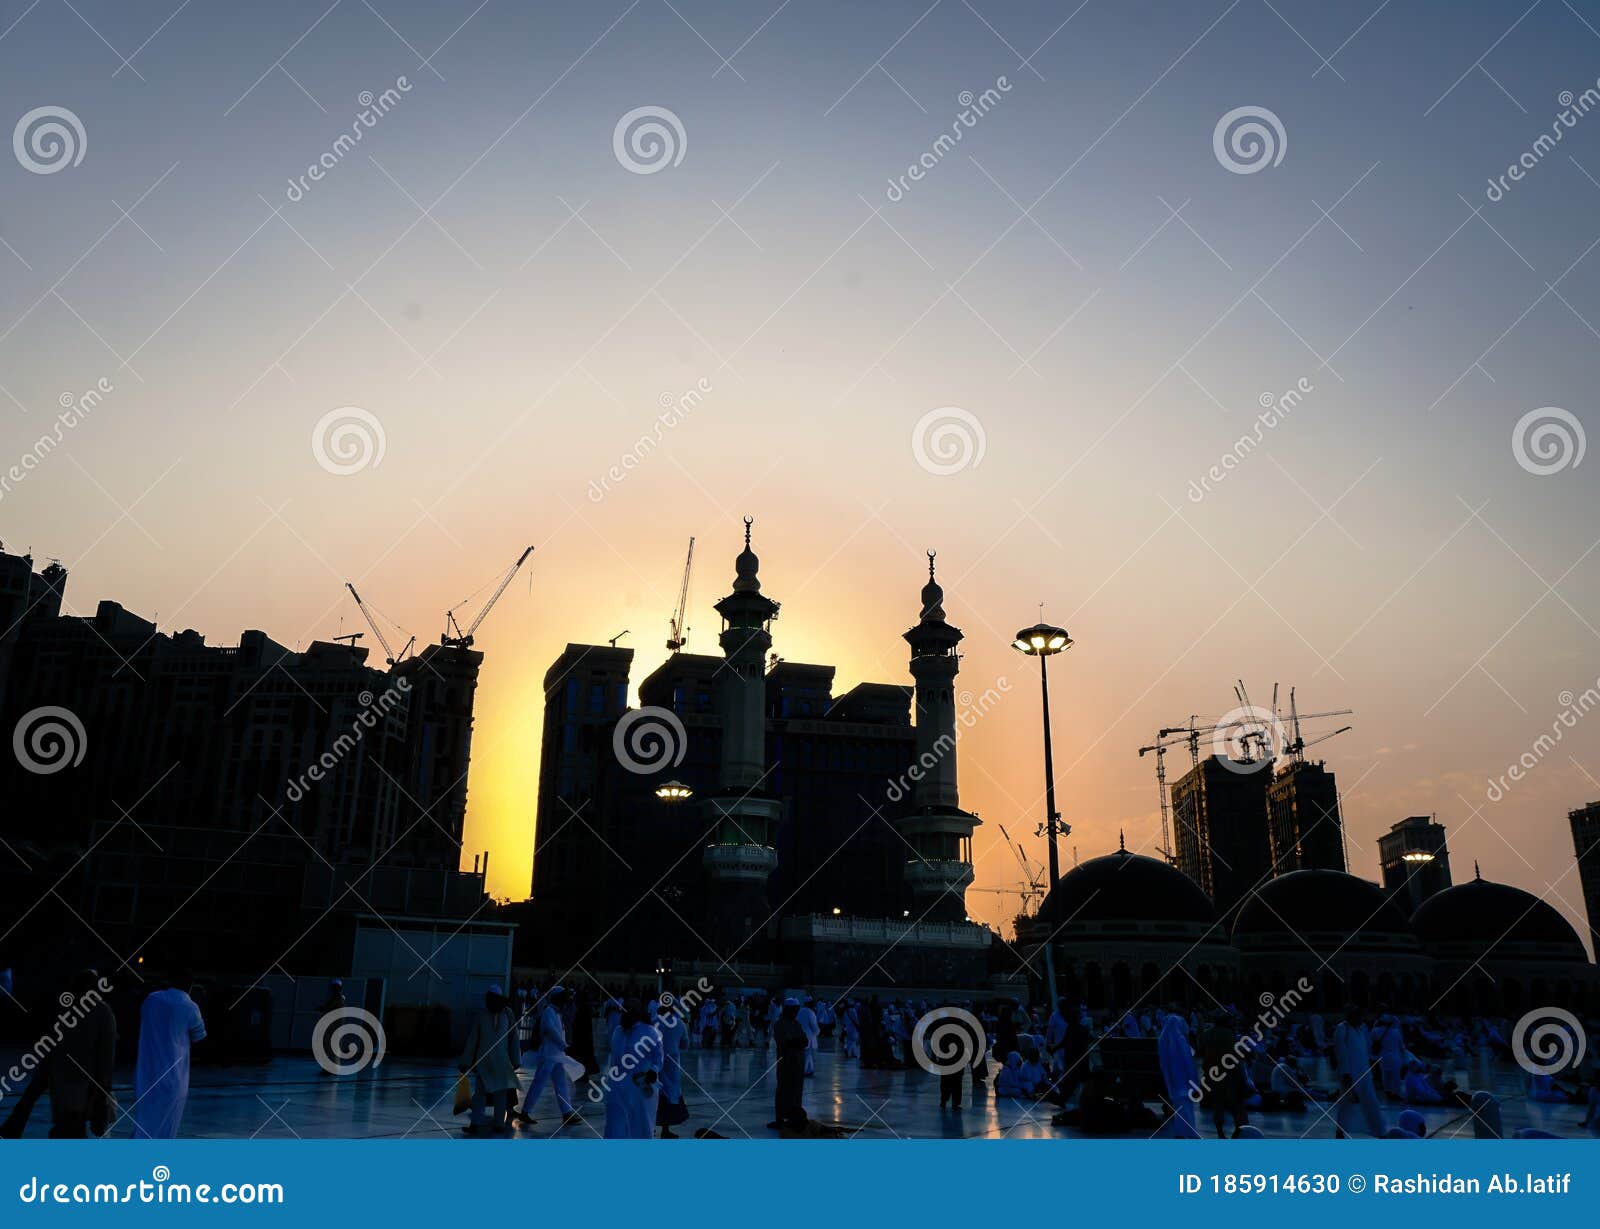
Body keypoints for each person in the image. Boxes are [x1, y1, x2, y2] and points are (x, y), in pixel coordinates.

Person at [133, 975, 207, 1139]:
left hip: (146, 1075)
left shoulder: (151, 1000)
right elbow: (199, 1036)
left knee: (144, 1123)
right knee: (167, 1127)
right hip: (174, 1078)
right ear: (191, 985)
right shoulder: (190, 1007)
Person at [47, 970, 117, 1138]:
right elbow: (107, 1053)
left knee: (67, 1126)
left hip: (62, 1080)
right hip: (84, 1083)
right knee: (75, 1128)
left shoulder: (63, 1009)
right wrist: (104, 1087)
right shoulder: (102, 1011)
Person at [515, 986, 580, 1128]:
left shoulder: (557, 1013)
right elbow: (550, 1030)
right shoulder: (549, 1012)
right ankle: (525, 1111)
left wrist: (563, 1046)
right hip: (549, 1055)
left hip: (556, 1055)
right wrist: (563, 1044)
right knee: (539, 1083)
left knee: (561, 1084)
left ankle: (566, 1113)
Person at [459, 984, 519, 1136]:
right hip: (484, 1061)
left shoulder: (508, 1014)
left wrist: (516, 1059)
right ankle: (475, 1124)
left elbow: (514, 1038)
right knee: (480, 1094)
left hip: (502, 1061)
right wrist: (465, 1061)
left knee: (500, 1095)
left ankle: (498, 1124)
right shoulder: (481, 1015)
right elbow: (473, 1039)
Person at [603, 999, 661, 1139]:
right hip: (617, 1087)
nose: (624, 1016)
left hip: (639, 1087)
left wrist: (653, 1070)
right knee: (615, 1127)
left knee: (641, 1126)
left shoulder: (650, 1031)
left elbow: (658, 1057)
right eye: (623, 1012)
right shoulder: (618, 1031)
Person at [1332, 1005, 1386, 1138]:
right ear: (1352, 1016)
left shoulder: (1362, 1029)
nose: (1362, 1019)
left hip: (1365, 1073)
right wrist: (1345, 1074)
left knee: (1371, 1102)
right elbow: (1341, 1053)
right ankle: (1340, 1131)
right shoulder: (1342, 1028)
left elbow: (1366, 1050)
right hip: (1350, 1074)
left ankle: (1379, 1132)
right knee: (1346, 1105)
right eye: (1360, 1016)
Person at [1198, 1014, 1249, 1138]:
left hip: (1213, 1075)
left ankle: (1220, 1132)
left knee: (1218, 1104)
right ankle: (1239, 1130)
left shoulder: (1207, 1034)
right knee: (1236, 1105)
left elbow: (1200, 1050)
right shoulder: (1229, 1034)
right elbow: (1235, 1056)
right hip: (1230, 1075)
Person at [1156, 1012, 1200, 1138]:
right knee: (1187, 1110)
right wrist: (1195, 1082)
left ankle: (1181, 1133)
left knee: (1179, 1110)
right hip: (1185, 1082)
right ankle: (1189, 1134)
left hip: (1172, 1082)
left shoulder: (1163, 1040)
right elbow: (1188, 1064)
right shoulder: (1180, 1040)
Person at [770, 997, 809, 1131]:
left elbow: (804, 1040)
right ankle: (781, 1118)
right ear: (787, 1010)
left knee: (797, 1090)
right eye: (793, 1010)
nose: (795, 1013)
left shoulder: (796, 1024)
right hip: (786, 1062)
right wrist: (796, 1042)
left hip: (798, 1063)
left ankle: (794, 1117)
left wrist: (796, 1042)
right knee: (784, 1089)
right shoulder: (779, 1024)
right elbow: (785, 1042)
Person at [656, 997, 689, 1138]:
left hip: (655, 1062)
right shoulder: (680, 1024)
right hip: (672, 1064)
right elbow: (684, 1045)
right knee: (669, 1095)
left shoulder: (654, 1022)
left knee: (655, 1094)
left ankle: (649, 1127)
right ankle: (665, 1129)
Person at [1370, 1011, 1406, 1099]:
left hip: (1383, 1056)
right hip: (1395, 1056)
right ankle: (1395, 1093)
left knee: (1385, 1075)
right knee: (1395, 1076)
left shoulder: (1375, 1031)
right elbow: (1401, 1046)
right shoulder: (1396, 1032)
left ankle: (1387, 1092)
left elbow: (1371, 1043)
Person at [796, 997, 820, 1076]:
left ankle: (810, 1070)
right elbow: (814, 1026)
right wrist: (817, 1032)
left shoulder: (799, 1011)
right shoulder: (810, 1012)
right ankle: (804, 1071)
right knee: (807, 1055)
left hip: (800, 1036)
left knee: (807, 1055)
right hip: (808, 1037)